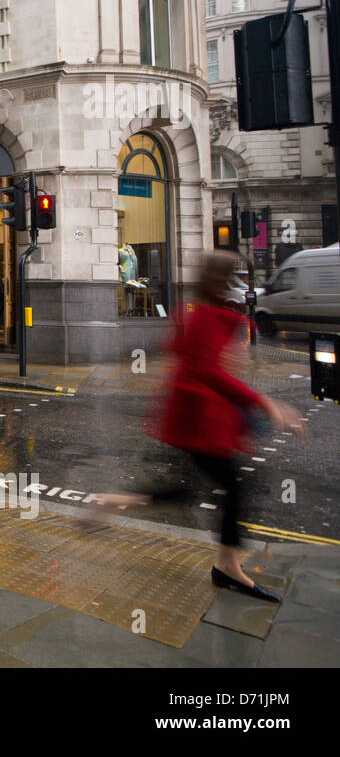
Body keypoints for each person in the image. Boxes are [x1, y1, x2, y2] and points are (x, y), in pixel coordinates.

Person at [98, 251, 305, 602]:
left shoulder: (200, 314)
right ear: (224, 280)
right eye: (238, 277)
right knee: (234, 487)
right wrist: (265, 404)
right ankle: (227, 568)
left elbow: (188, 359)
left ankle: (112, 502)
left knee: (196, 490)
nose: (244, 285)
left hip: (200, 420)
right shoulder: (206, 317)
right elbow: (209, 372)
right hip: (200, 422)